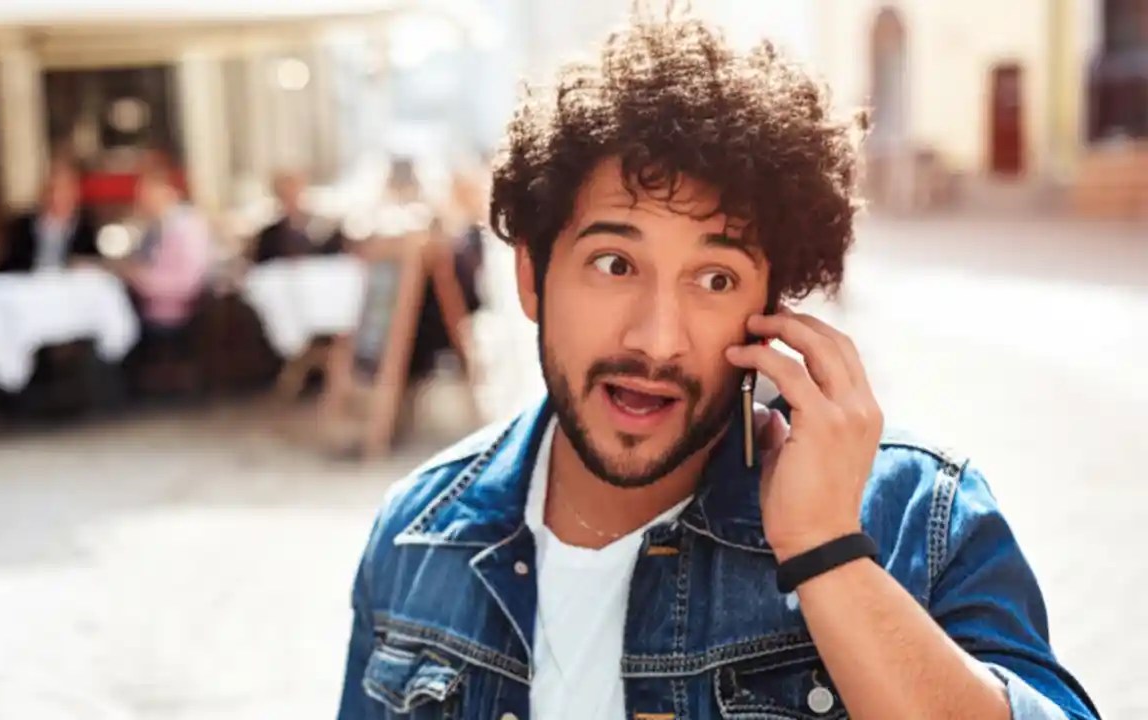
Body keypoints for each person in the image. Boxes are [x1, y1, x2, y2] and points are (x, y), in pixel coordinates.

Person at [337, 11, 1098, 720]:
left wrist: (827, 552)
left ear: (771, 308)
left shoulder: (912, 519)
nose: (657, 340)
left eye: (715, 279)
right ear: (532, 277)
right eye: (614, 264)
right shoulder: (415, 539)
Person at [118, 165, 212, 331]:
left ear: (168, 191)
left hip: (175, 319)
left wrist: (141, 280)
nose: (141, 200)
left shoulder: (187, 227)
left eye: (147, 193)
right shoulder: (154, 226)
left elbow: (190, 283)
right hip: (146, 312)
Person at [0, 161, 98, 272]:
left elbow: (93, 264)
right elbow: (7, 266)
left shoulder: (87, 228)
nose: (56, 197)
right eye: (52, 189)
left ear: (75, 193)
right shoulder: (22, 226)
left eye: (64, 190)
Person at [252, 171, 344, 263]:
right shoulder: (269, 236)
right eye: (285, 194)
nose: (291, 198)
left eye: (294, 191)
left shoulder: (324, 229)